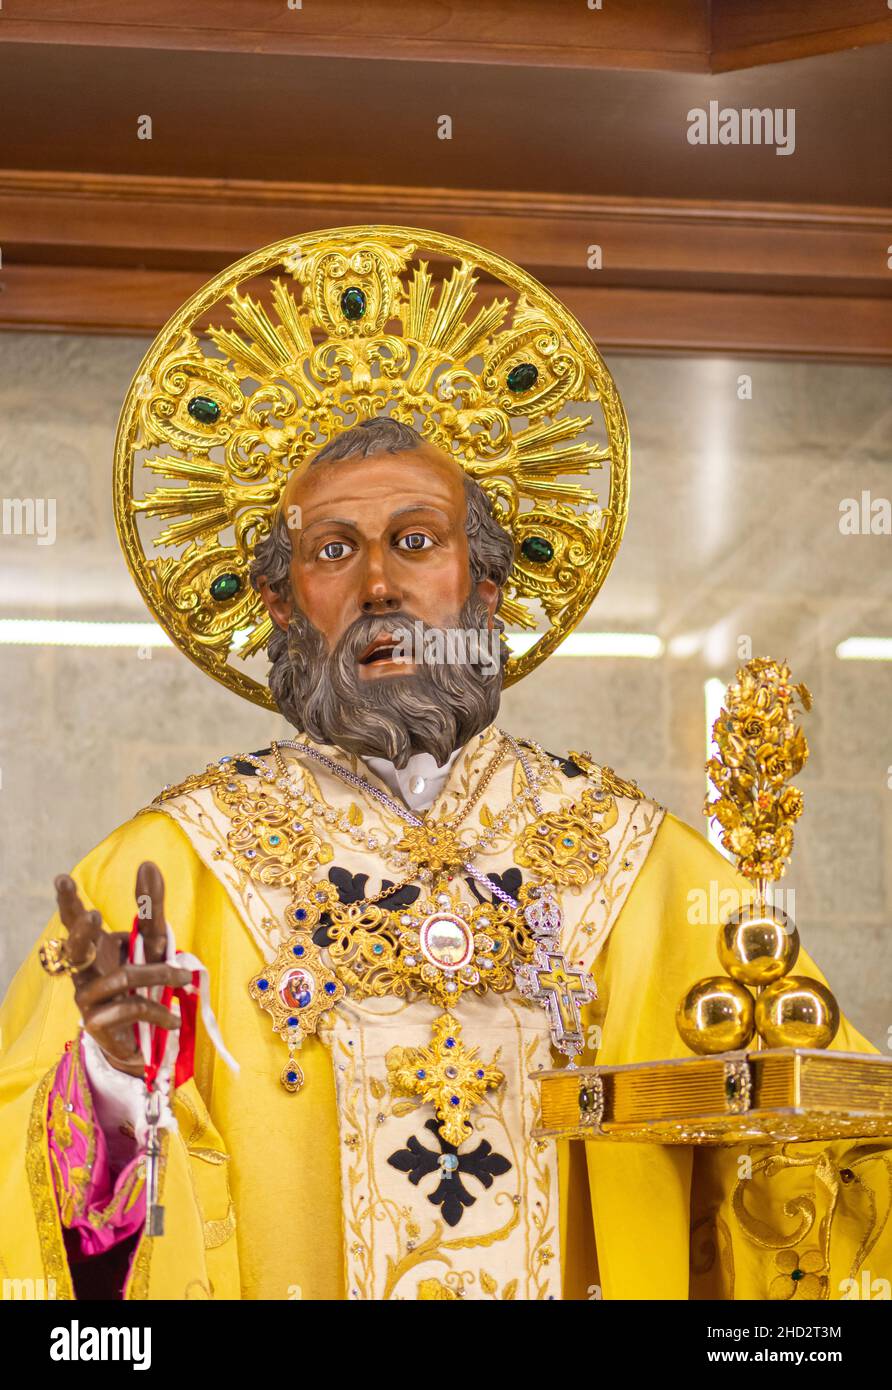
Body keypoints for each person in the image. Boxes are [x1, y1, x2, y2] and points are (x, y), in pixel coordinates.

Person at [1, 231, 888, 1302]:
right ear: (283, 604)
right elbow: (37, 1232)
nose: (378, 582)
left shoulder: (650, 874)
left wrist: (782, 1149)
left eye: (417, 541)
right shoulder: (160, 884)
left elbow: (838, 1173)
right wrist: (105, 1088)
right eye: (332, 550)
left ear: (486, 587)